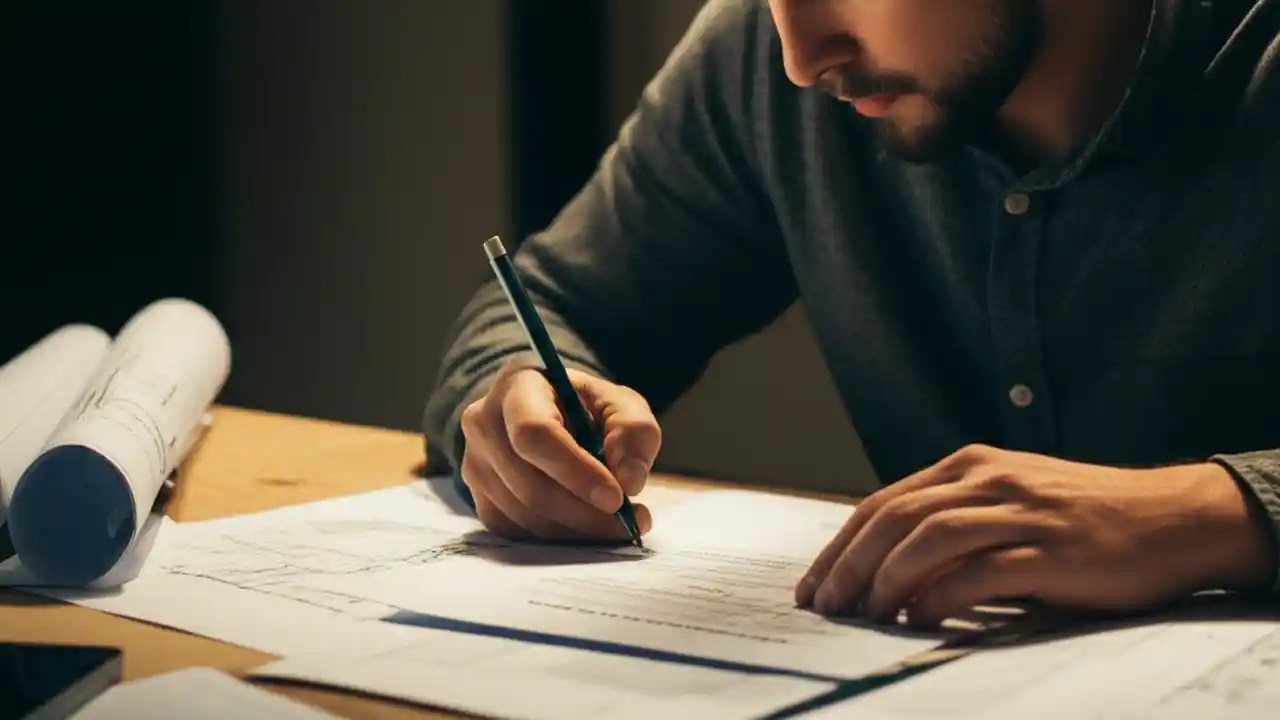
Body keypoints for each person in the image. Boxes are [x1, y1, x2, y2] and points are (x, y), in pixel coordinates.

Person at [424, 0, 1280, 628]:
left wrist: (1211, 514)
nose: (800, 55)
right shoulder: (765, 62)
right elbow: (554, 303)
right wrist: (522, 409)